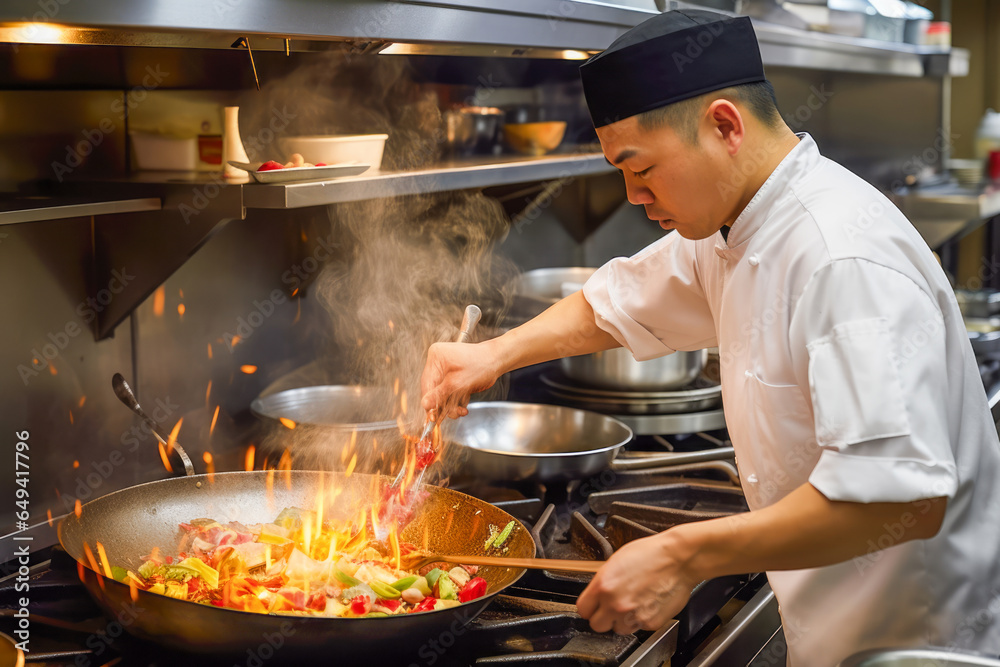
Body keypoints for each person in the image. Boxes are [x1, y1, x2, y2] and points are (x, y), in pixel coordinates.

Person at [420, 8, 1000, 666]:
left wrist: (685, 552)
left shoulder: (842, 257)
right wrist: (490, 355)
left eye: (641, 169)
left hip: (915, 644)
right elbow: (622, 299)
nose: (633, 195)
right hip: (835, 633)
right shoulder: (737, 223)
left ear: (724, 124)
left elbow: (903, 495)